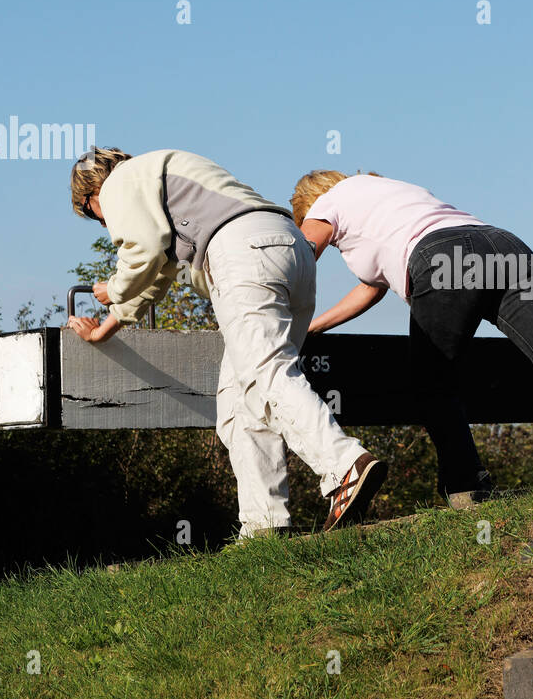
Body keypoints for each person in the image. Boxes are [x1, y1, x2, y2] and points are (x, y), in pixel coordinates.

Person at [65, 147, 387, 535]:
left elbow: (142, 252)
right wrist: (104, 328)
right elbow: (159, 275)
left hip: (241, 253)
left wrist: (113, 289)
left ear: (91, 195)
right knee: (239, 403)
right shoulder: (157, 181)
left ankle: (345, 465)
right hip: (291, 251)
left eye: (92, 215)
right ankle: (264, 526)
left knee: (266, 374)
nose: (103, 224)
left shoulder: (120, 182)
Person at [290, 170, 533, 508]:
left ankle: (466, 489)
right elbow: (372, 289)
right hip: (505, 248)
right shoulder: (386, 193)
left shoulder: (326, 204)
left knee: (432, 383)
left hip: (443, 257)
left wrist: (283, 319)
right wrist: (314, 327)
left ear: (310, 204)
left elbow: (302, 255)